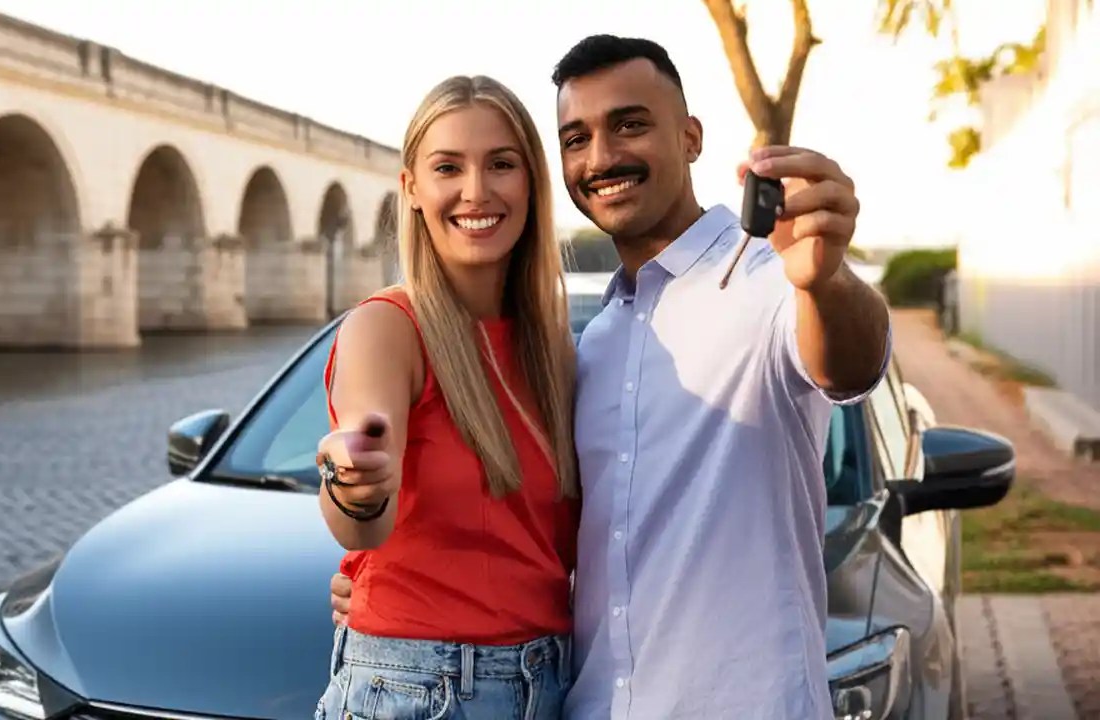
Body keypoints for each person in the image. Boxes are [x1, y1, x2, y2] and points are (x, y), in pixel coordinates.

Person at [329, 35, 894, 720]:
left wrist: (828, 280)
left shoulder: (767, 284)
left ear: (690, 137)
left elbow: (848, 363)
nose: (601, 157)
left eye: (629, 124)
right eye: (576, 138)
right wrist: (372, 553)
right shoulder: (587, 348)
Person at [312, 74, 581, 720]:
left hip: (549, 684)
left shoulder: (554, 349)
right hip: (418, 690)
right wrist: (353, 481)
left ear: (532, 183)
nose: (476, 191)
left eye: (501, 165)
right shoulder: (387, 328)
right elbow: (362, 519)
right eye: (447, 168)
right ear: (411, 189)